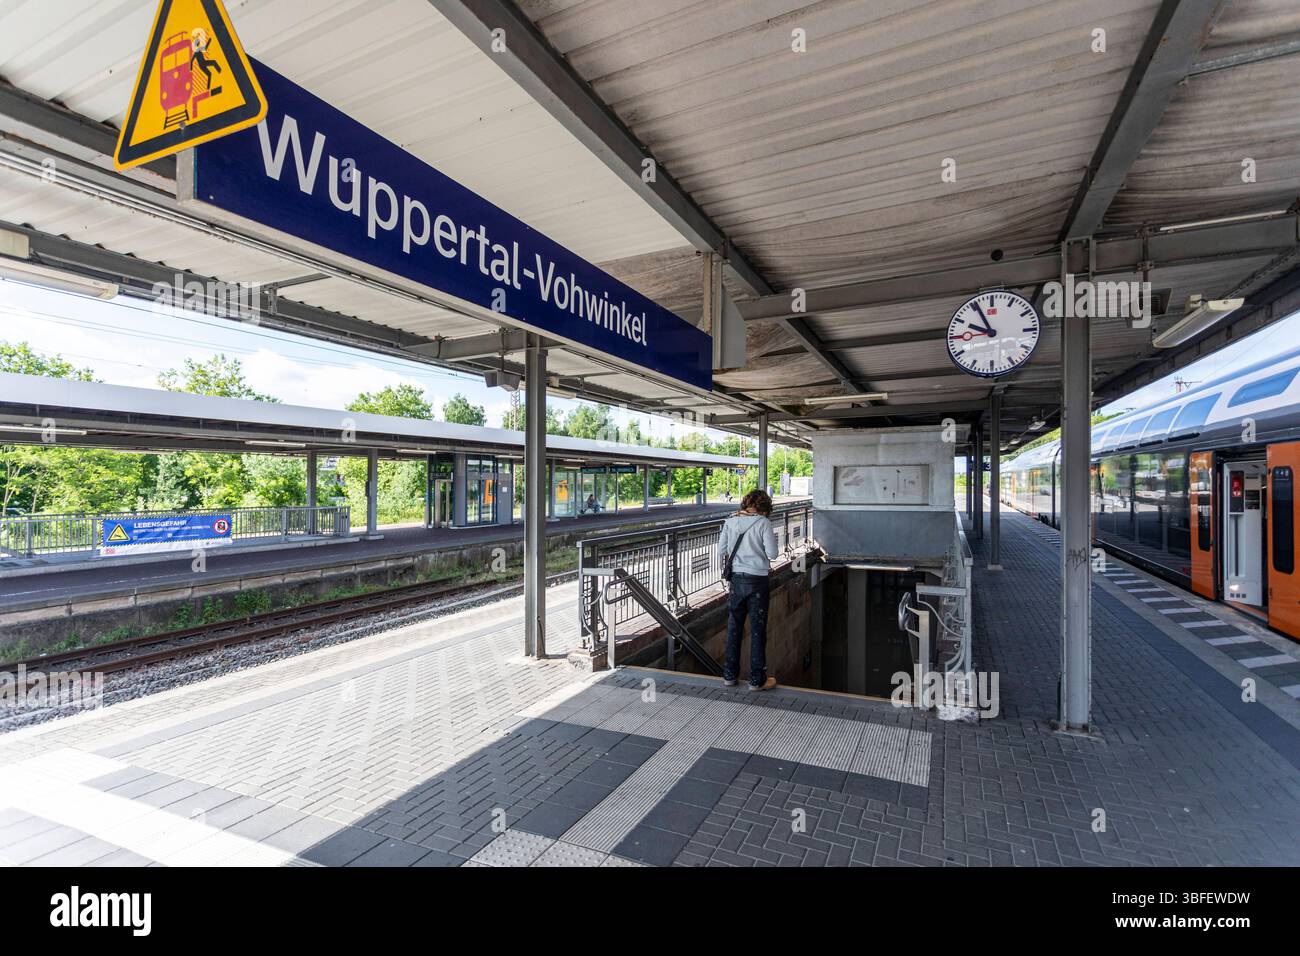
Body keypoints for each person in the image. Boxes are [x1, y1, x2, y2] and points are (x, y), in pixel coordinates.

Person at [716, 490, 779, 691]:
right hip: (757, 580)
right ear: (764, 507)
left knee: (734, 627)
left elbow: (721, 550)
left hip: (736, 580)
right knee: (757, 630)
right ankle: (756, 680)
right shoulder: (763, 523)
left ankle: (729, 676)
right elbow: (773, 554)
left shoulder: (730, 521)